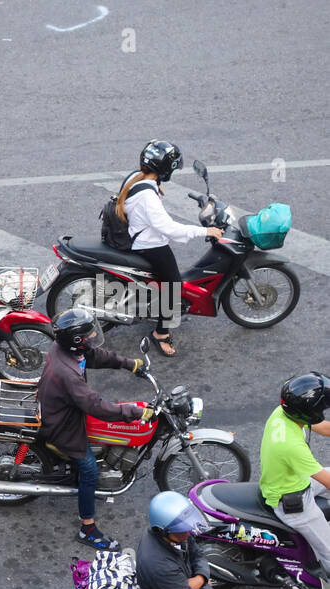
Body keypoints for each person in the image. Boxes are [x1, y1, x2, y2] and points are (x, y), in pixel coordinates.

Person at [37, 309, 148, 551]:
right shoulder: (68, 373)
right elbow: (95, 406)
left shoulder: (65, 349)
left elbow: (94, 355)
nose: (95, 333)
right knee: (89, 471)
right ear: (77, 340)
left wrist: (129, 364)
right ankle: (87, 528)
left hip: (61, 407)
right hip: (62, 425)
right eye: (89, 333)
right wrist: (134, 412)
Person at [114, 140, 224, 357]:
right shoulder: (148, 196)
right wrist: (205, 232)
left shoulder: (137, 177)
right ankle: (161, 333)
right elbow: (170, 229)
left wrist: (155, 188)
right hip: (148, 245)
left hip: (134, 232)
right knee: (174, 285)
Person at [259, 373, 330, 589]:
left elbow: (323, 428)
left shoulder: (283, 412)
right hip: (292, 499)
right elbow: (327, 481)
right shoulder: (292, 447)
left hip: (292, 479)